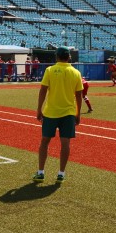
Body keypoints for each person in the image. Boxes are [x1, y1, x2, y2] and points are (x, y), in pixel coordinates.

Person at [33, 47, 83, 184]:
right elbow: (79, 95)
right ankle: (61, 173)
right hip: (69, 113)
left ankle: (41, 172)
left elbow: (43, 91)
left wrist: (39, 109)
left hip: (51, 112)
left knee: (44, 142)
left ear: (57, 56)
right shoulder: (76, 72)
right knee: (65, 143)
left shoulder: (50, 70)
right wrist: (78, 113)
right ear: (69, 57)